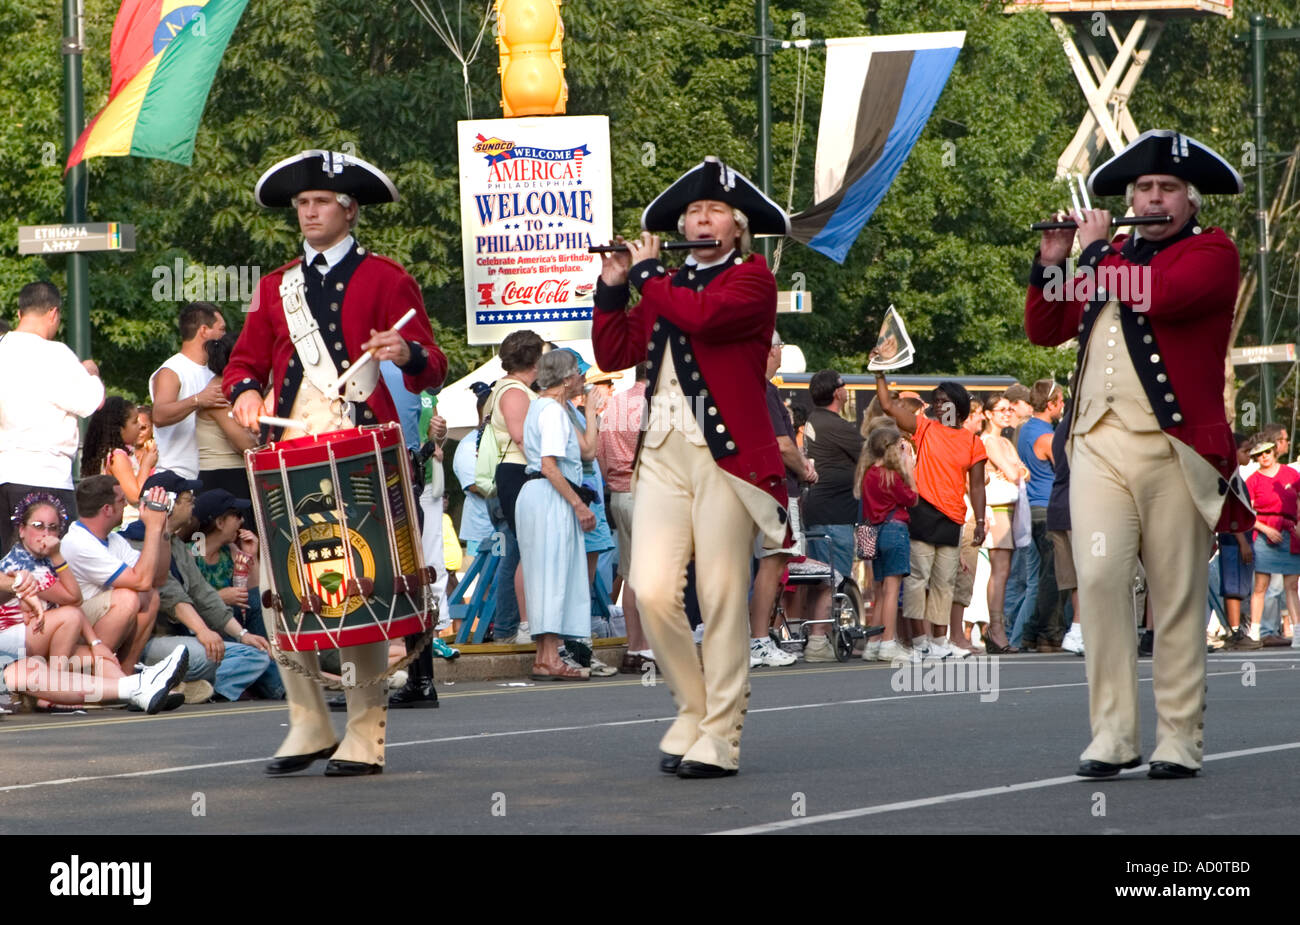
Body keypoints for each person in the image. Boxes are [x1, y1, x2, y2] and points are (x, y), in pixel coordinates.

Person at [1026, 129, 1251, 779]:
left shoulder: (1213, 251)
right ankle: (1114, 732)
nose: (1152, 200)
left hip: (1174, 447)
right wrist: (1053, 261)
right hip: (1097, 441)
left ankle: (1179, 738)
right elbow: (1045, 329)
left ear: (1191, 201)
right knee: (1098, 579)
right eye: (1143, 189)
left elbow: (1166, 296)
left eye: (1166, 190)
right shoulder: (1109, 257)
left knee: (1175, 594)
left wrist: (1095, 253)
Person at [224, 149, 446, 777]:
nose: (309, 212)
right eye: (301, 204)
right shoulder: (274, 287)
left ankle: (365, 734)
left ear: (349, 211)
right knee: (279, 589)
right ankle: (308, 721)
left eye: (320, 202)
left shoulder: (386, 279)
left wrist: (405, 352)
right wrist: (243, 387)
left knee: (359, 586)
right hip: (290, 453)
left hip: (357, 450)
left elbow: (433, 364)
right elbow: (244, 362)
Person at [593, 156, 791, 778]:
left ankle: (721, 735)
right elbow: (613, 350)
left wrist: (648, 274)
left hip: (725, 456)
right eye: (692, 213)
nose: (700, 221)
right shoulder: (662, 283)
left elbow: (702, 317)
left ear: (737, 229)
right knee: (649, 588)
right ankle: (693, 706)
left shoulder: (754, 281)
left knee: (722, 594)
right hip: (663, 450)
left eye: (713, 213)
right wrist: (613, 282)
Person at [123, 478, 279, 702]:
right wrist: (203, 630)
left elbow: (202, 592)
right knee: (220, 657)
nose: (193, 505)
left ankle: (192, 686)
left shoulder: (174, 542)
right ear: (169, 504)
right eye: (188, 500)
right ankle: (182, 686)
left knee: (255, 655)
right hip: (151, 643)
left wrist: (242, 635)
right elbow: (169, 593)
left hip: (185, 637)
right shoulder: (134, 542)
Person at [872, 373, 987, 660]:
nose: (938, 407)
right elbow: (887, 405)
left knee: (944, 583)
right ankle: (920, 641)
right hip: (922, 511)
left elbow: (976, 485)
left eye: (944, 402)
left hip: (953, 516)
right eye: (936, 402)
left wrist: (981, 521)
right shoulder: (924, 428)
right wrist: (880, 374)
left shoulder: (973, 442)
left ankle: (939, 642)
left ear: (959, 408)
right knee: (917, 580)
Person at [0, 282, 105, 552]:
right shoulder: (55, 354)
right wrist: (91, 372)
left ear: (20, 312)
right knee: (53, 572)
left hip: (4, 475)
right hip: (46, 477)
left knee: (8, 571)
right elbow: (92, 402)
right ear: (53, 313)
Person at [514, 350, 600, 680]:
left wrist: (590, 413)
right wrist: (578, 504)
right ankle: (549, 657)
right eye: (578, 372)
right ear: (566, 379)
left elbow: (586, 451)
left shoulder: (548, 407)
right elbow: (549, 465)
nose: (582, 378)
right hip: (549, 497)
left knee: (547, 573)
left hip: (540, 495)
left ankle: (544, 656)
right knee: (552, 573)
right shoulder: (552, 411)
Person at [60, 475, 173, 674]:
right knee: (127, 598)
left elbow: (157, 579)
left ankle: (126, 674)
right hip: (70, 631)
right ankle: (94, 676)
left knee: (150, 596)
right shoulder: (79, 543)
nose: (127, 505)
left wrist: (162, 528)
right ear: (107, 509)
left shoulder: (113, 539)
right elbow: (142, 580)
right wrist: (152, 528)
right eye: (122, 500)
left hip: (95, 623)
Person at [748, 331, 815, 667]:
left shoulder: (742, 387)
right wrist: (805, 469)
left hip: (750, 484)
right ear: (769, 351)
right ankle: (759, 639)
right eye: (779, 347)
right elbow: (783, 444)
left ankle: (753, 637)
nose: (780, 353)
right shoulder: (766, 389)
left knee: (753, 565)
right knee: (772, 563)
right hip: (774, 487)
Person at [482, 330, 544, 644]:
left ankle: (525, 622)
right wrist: (549, 465)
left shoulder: (510, 388)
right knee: (526, 550)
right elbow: (521, 437)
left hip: (517, 471)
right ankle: (524, 623)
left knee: (525, 550)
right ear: (534, 358)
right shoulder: (515, 392)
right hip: (519, 471)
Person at [598, 364, 656, 673]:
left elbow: (600, 452)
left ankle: (636, 648)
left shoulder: (616, 403)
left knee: (633, 574)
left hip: (620, 494)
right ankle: (648, 650)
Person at [858, 425, 918, 662]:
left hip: (872, 530)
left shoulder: (868, 473)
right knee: (893, 590)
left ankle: (873, 642)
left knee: (879, 590)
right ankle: (888, 642)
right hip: (894, 528)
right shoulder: (893, 475)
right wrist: (910, 469)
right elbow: (912, 498)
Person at [150, 302, 230, 480]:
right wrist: (197, 400)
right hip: (177, 476)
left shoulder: (215, 371)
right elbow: (159, 415)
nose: (224, 336)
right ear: (203, 330)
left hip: (210, 472)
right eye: (221, 329)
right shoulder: (171, 370)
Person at [1016, 378, 1066, 652]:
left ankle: (1032, 632)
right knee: (1054, 575)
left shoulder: (1024, 430)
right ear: (1050, 405)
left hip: (1031, 509)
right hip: (1047, 509)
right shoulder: (1048, 436)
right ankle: (1049, 632)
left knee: (1043, 574)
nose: (1062, 406)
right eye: (1059, 401)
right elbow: (1065, 470)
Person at [802, 369, 864, 583]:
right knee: (835, 584)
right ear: (838, 392)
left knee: (821, 584)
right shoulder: (836, 425)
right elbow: (870, 456)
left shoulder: (815, 419)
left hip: (822, 513)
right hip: (834, 517)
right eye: (843, 386)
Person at [980, 396, 1027, 652]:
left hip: (1011, 510)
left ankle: (997, 628)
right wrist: (1014, 469)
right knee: (999, 572)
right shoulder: (989, 441)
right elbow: (1014, 473)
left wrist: (1015, 469)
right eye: (1001, 410)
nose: (1007, 414)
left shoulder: (1006, 441)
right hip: (998, 510)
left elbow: (1022, 472)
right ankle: (995, 628)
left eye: (1010, 409)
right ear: (988, 414)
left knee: (1004, 572)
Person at [1243, 440, 1300, 647]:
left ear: (1274, 452)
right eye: (1259, 454)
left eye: (1267, 452)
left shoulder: (1291, 474)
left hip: (1290, 530)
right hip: (1264, 531)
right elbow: (1248, 513)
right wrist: (1265, 528)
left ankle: (1298, 632)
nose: (1264, 457)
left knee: (1291, 585)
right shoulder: (1253, 480)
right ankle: (1256, 632)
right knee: (1261, 585)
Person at [197, 332, 258, 500]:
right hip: (224, 477)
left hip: (229, 475)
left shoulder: (222, 388)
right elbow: (245, 444)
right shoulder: (219, 393)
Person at [82, 396, 157, 528]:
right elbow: (134, 496)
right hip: (127, 523)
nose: (139, 426)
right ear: (120, 428)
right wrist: (147, 464)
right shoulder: (117, 456)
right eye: (134, 422)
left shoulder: (111, 453)